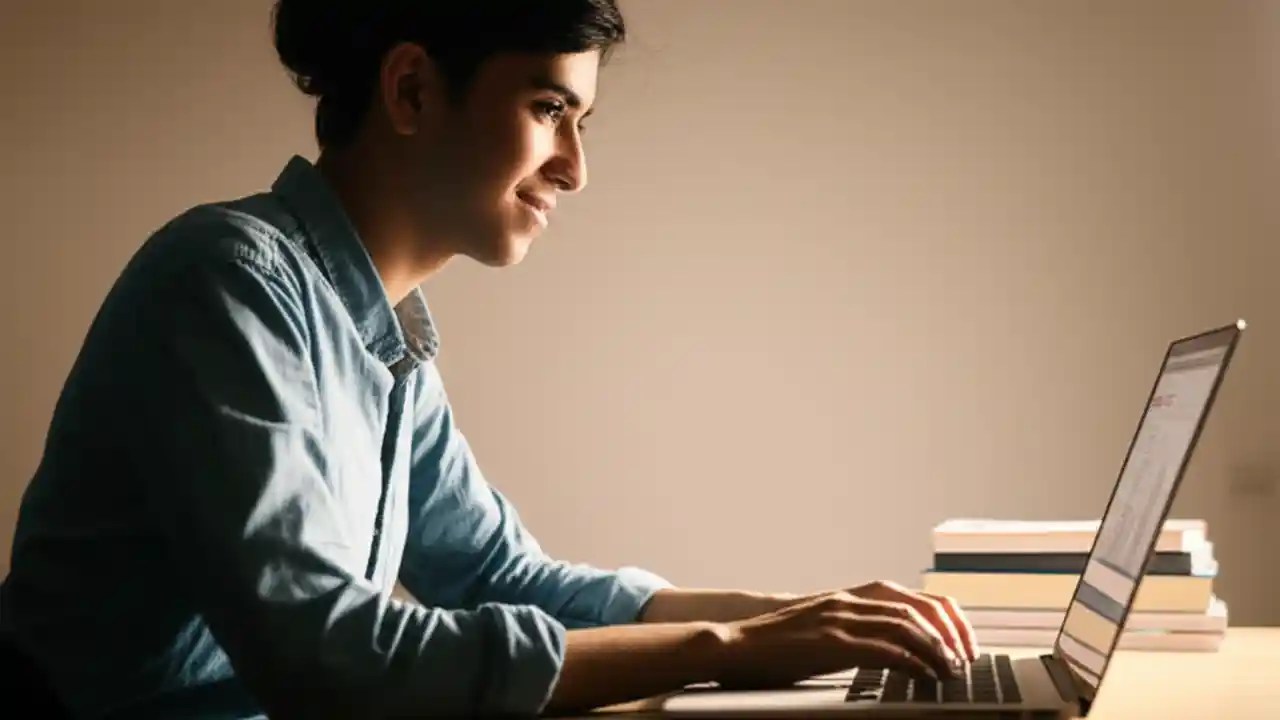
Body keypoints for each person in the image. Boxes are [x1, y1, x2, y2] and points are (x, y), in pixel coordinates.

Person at [0, 1, 980, 717]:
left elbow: (501, 575)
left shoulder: (388, 337)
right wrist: (720, 649)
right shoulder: (226, 285)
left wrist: (804, 618)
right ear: (413, 89)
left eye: (581, 123)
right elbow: (331, 660)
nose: (575, 168)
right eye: (550, 109)